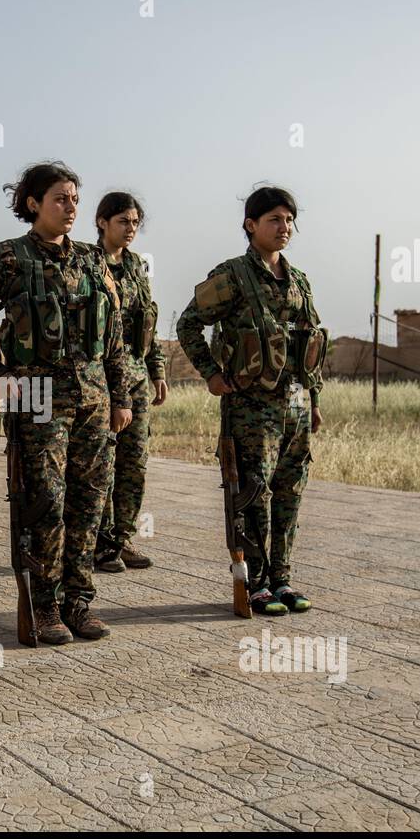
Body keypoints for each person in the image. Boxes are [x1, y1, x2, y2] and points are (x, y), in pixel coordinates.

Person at [0, 161, 132, 643]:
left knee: (89, 504)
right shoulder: (7, 258)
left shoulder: (93, 261)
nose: (70, 207)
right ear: (33, 204)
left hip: (93, 397)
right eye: (59, 199)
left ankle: (79, 603)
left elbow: (113, 335)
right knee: (46, 503)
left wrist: (122, 395)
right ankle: (44, 606)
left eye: (74, 199)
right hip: (38, 396)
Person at [175, 185, 327, 615]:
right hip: (251, 408)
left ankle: (282, 579)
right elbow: (188, 324)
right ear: (251, 225)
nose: (284, 227)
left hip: (294, 406)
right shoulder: (232, 276)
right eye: (274, 220)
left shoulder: (298, 281)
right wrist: (211, 374)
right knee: (253, 492)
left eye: (289, 220)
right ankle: (255, 581)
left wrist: (313, 400)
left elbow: (310, 344)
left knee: (289, 490)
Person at [90, 192, 168, 573]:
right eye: (123, 221)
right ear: (102, 222)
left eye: (135, 222)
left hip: (136, 379)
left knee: (133, 462)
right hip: (100, 381)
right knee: (101, 462)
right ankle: (98, 542)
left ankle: (121, 538)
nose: (131, 228)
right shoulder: (88, 263)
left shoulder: (138, 266)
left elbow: (147, 323)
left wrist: (158, 372)